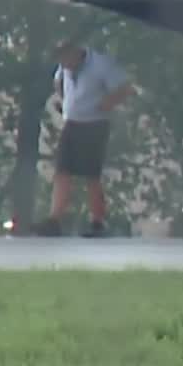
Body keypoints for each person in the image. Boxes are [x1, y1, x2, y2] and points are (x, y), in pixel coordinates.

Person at [35, 40, 135, 237]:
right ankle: (54, 221)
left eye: (64, 58)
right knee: (62, 171)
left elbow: (125, 87)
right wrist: (65, 101)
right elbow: (58, 81)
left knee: (91, 175)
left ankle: (98, 222)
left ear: (75, 52)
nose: (63, 64)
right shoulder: (65, 68)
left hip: (95, 124)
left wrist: (108, 102)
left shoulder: (101, 64)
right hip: (72, 123)